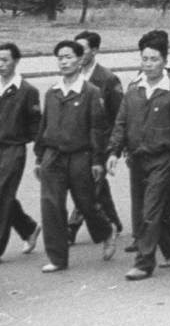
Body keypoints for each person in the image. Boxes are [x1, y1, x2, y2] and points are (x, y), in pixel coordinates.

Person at [108, 30, 170, 280]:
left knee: (150, 211)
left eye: (154, 59)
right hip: (137, 157)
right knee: (153, 209)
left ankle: (144, 263)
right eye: (145, 59)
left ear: (164, 61)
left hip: (163, 158)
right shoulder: (133, 89)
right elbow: (121, 122)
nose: (149, 64)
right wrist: (113, 151)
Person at [35, 40, 115, 273]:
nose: (64, 61)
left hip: (80, 156)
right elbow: (44, 126)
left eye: (69, 57)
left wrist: (98, 160)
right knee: (51, 206)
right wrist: (40, 157)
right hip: (53, 156)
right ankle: (58, 258)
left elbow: (97, 128)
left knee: (86, 203)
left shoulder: (91, 92)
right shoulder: (52, 92)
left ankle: (105, 230)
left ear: (80, 60)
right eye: (60, 57)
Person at [0, 42, 41, 263]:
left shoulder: (28, 91)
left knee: (3, 194)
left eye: (5, 60)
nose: (0, 65)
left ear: (15, 61)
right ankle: (28, 228)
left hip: (14, 148)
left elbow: (36, 125)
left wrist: (39, 154)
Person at [68, 31, 124, 243]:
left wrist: (114, 148)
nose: (77, 54)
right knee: (96, 186)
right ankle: (114, 222)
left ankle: (71, 227)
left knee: (87, 187)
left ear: (95, 50)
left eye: (82, 49)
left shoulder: (108, 79)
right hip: (79, 143)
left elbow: (119, 115)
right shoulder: (73, 76)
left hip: (101, 143)